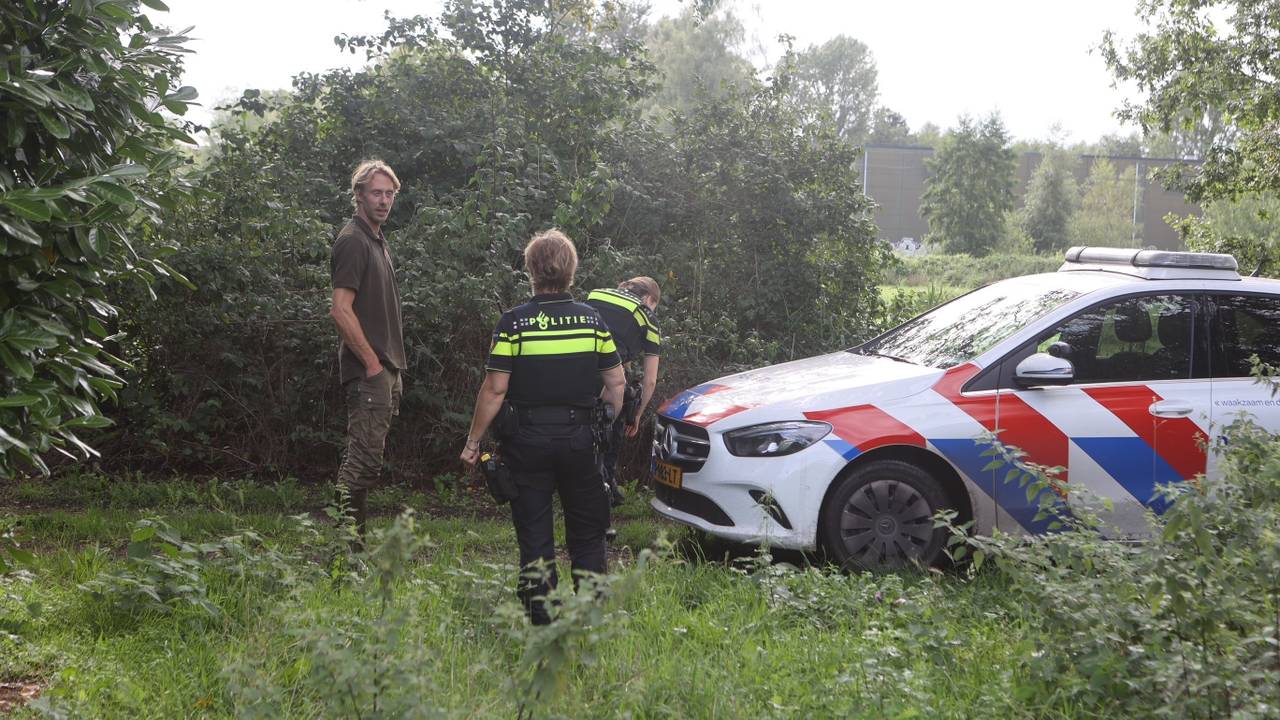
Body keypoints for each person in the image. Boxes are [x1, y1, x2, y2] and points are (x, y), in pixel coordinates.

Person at [460, 229, 625, 625]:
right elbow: (616, 382)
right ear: (571, 270)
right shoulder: (593, 321)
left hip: (526, 442)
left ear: (531, 270)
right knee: (588, 531)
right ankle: (589, 619)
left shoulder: (514, 323)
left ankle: (542, 618)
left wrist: (472, 442)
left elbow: (495, 389)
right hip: (581, 441)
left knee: (535, 533)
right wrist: (604, 423)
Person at [329, 160, 406, 544]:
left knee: (368, 462)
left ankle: (352, 547)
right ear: (358, 194)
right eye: (376, 192)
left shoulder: (376, 238)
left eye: (389, 193)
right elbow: (340, 310)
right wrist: (373, 364)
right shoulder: (353, 240)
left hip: (386, 370)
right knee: (360, 462)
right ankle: (346, 552)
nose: (384, 200)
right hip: (369, 372)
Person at [585, 278, 661, 517]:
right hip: (606, 379)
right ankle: (604, 497)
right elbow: (650, 380)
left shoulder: (596, 293)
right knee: (608, 430)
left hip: (573, 369)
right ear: (650, 299)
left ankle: (592, 490)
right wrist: (637, 414)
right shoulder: (647, 315)